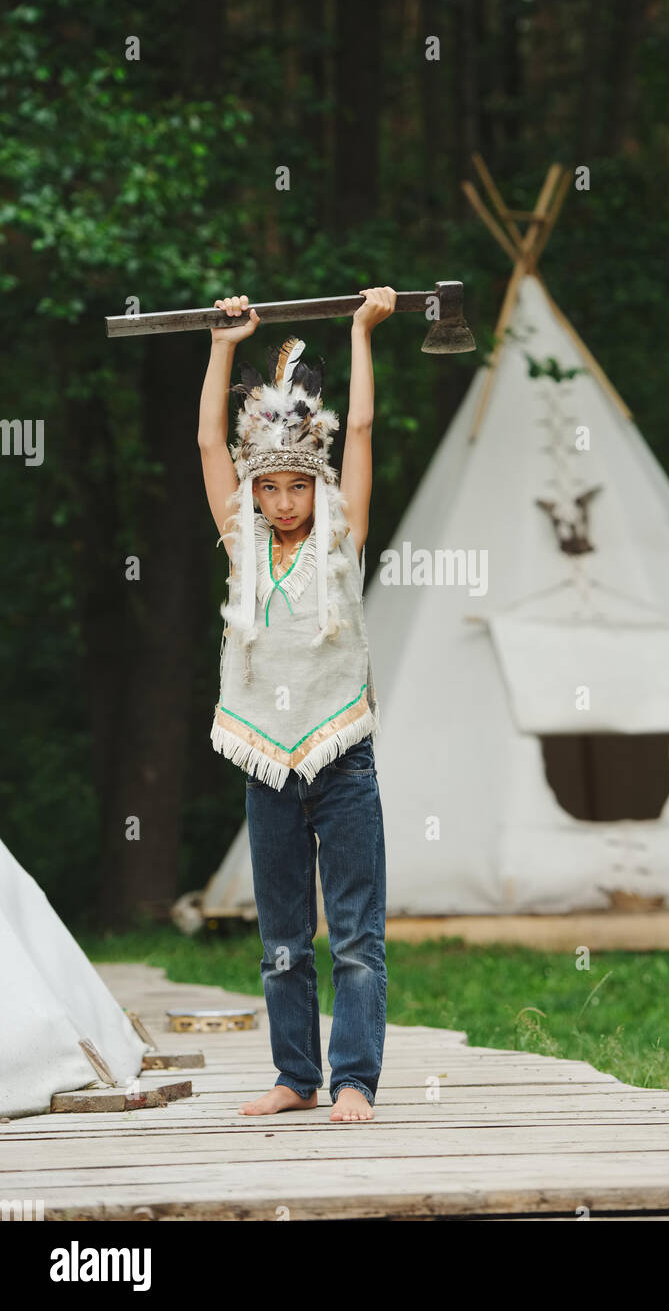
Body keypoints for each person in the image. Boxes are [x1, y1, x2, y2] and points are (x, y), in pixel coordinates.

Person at [198, 287, 396, 1122]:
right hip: (265, 758)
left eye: (295, 487)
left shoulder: (341, 538)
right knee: (282, 937)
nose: (282, 502)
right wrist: (222, 345)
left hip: (340, 756)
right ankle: (294, 1076)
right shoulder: (241, 544)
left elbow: (355, 430)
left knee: (353, 935)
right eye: (268, 487)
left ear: (315, 488)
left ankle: (352, 1080)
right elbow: (210, 439)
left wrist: (360, 333)